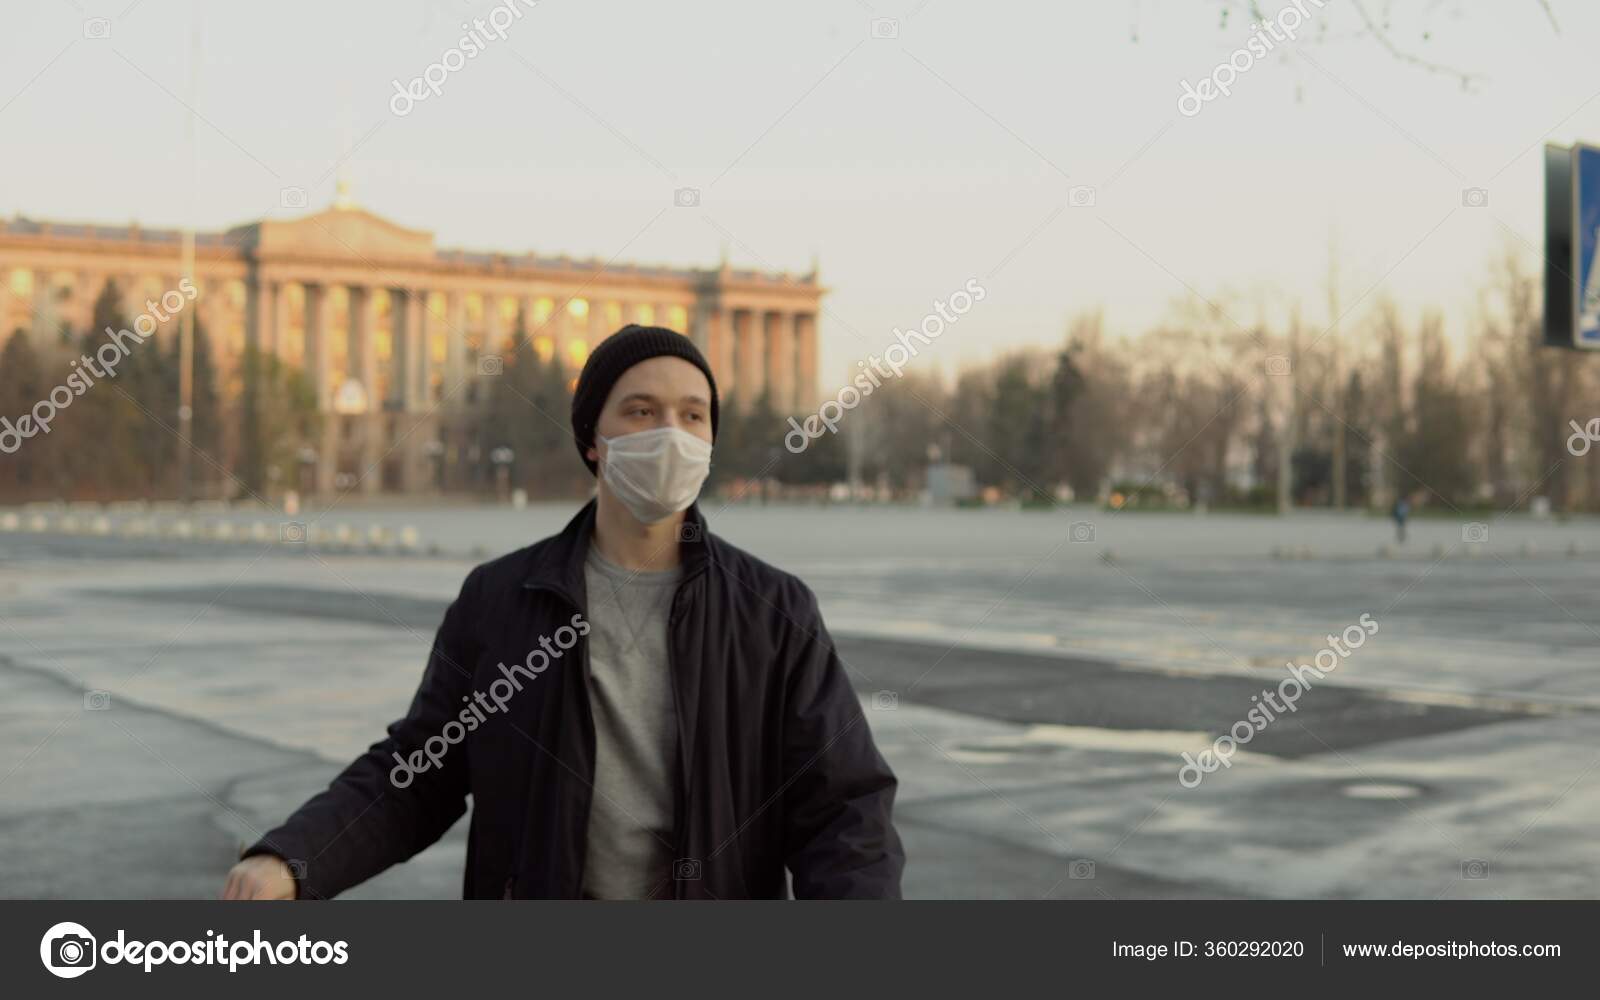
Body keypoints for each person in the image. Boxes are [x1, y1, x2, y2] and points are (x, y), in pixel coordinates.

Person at [222, 325, 903, 900]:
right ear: (592, 440)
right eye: (641, 411)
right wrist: (294, 859)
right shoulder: (502, 600)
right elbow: (419, 772)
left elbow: (842, 808)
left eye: (693, 415)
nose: (671, 434)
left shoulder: (772, 611)